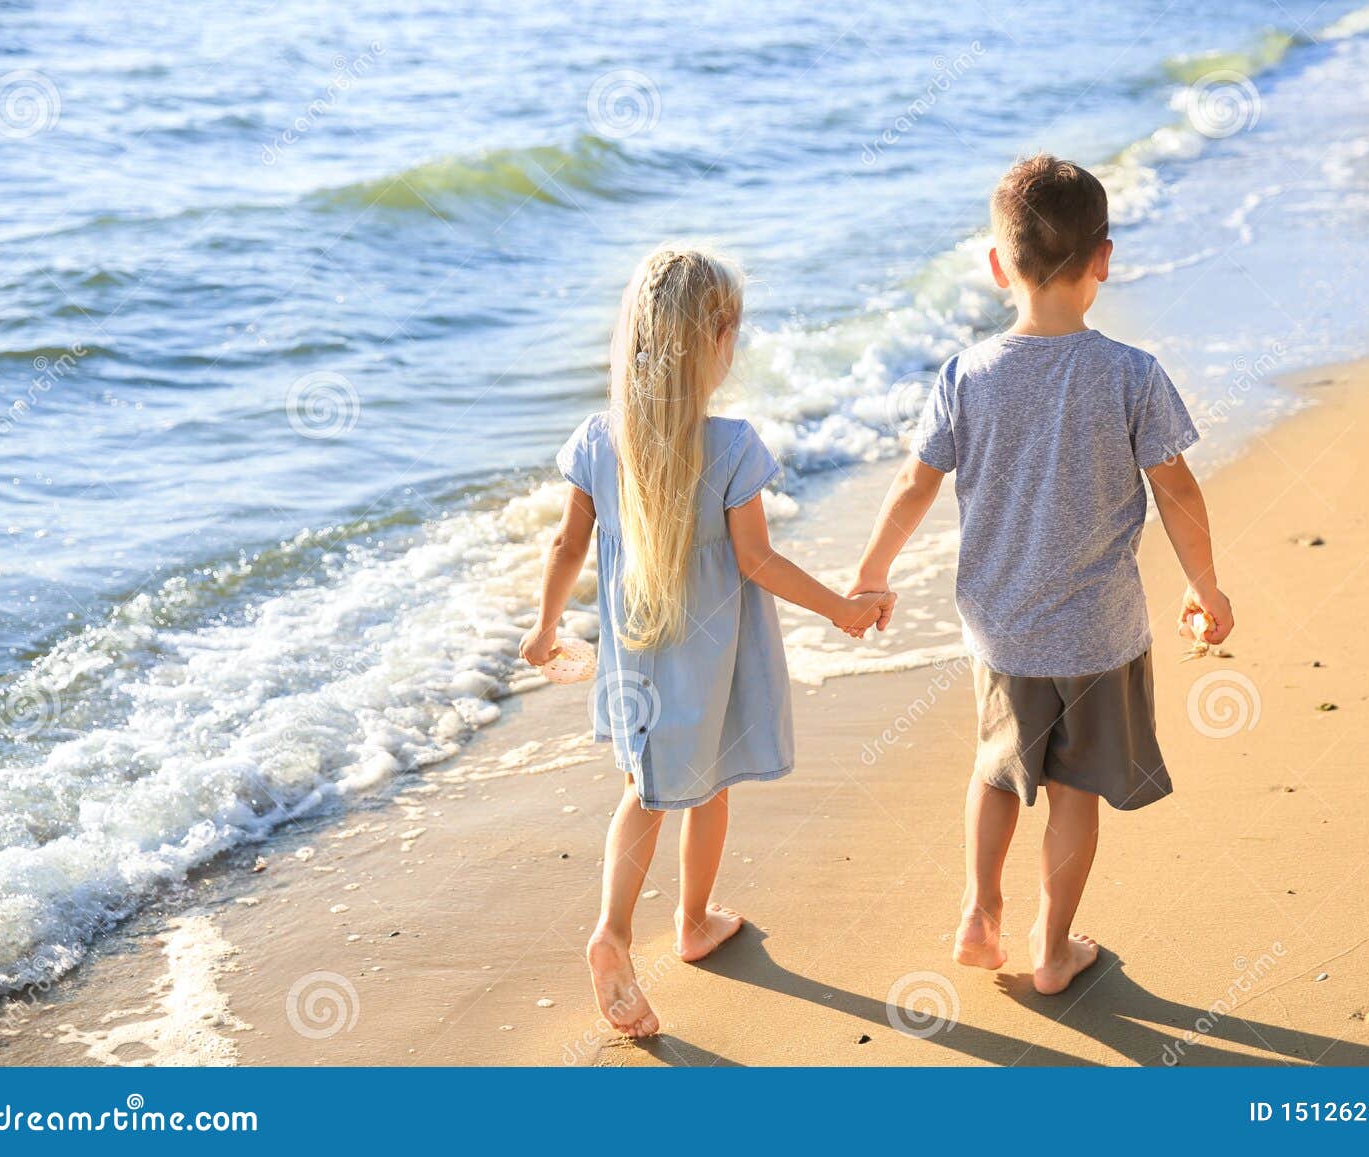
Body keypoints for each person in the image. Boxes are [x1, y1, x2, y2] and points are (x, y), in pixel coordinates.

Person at [850, 155, 1234, 994]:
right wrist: (1206, 588)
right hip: (1100, 637)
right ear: (1104, 258)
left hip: (1003, 631)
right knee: (1074, 792)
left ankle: (979, 911)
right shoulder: (1130, 373)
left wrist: (872, 575)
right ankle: (1053, 950)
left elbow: (914, 482)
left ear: (997, 267)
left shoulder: (966, 374)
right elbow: (1176, 488)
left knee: (995, 772)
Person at [521, 243, 894, 1036]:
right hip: (714, 660)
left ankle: (653, 924)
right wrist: (841, 608)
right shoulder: (729, 445)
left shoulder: (598, 440)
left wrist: (545, 627)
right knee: (694, 786)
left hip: (634, 658)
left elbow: (564, 549)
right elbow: (757, 561)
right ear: (716, 339)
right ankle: (649, 927)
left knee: (652, 785)